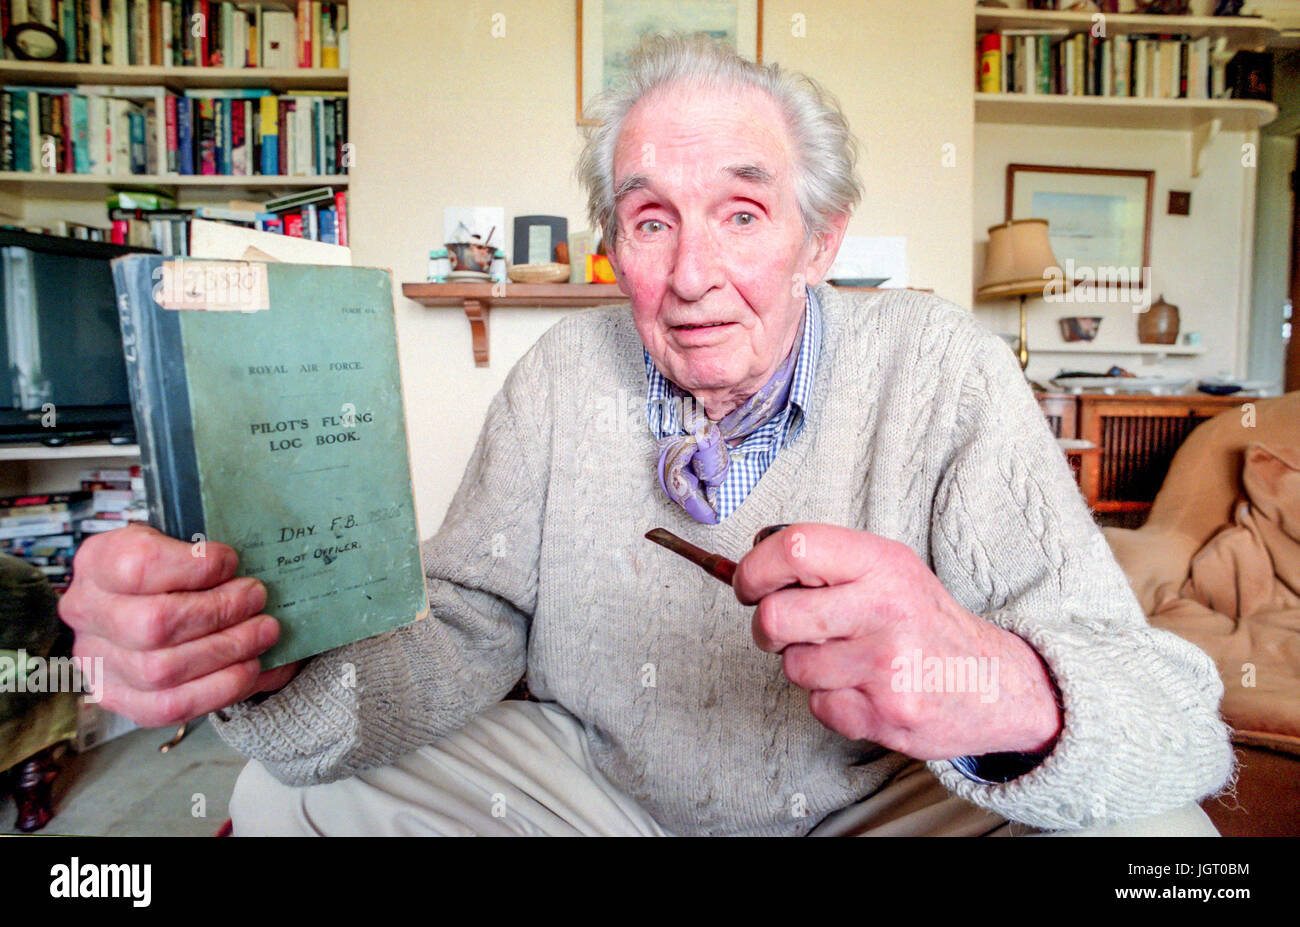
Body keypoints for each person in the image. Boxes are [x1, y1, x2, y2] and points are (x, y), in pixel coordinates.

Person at [59, 34, 1232, 836]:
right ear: (614, 245)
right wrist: (273, 653)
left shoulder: (944, 370)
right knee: (283, 793)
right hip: (596, 804)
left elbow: (1171, 718)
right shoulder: (561, 373)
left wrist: (998, 684)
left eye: (741, 211)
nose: (693, 278)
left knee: (1155, 831)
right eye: (651, 220)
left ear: (819, 240)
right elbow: (465, 630)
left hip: (881, 808)